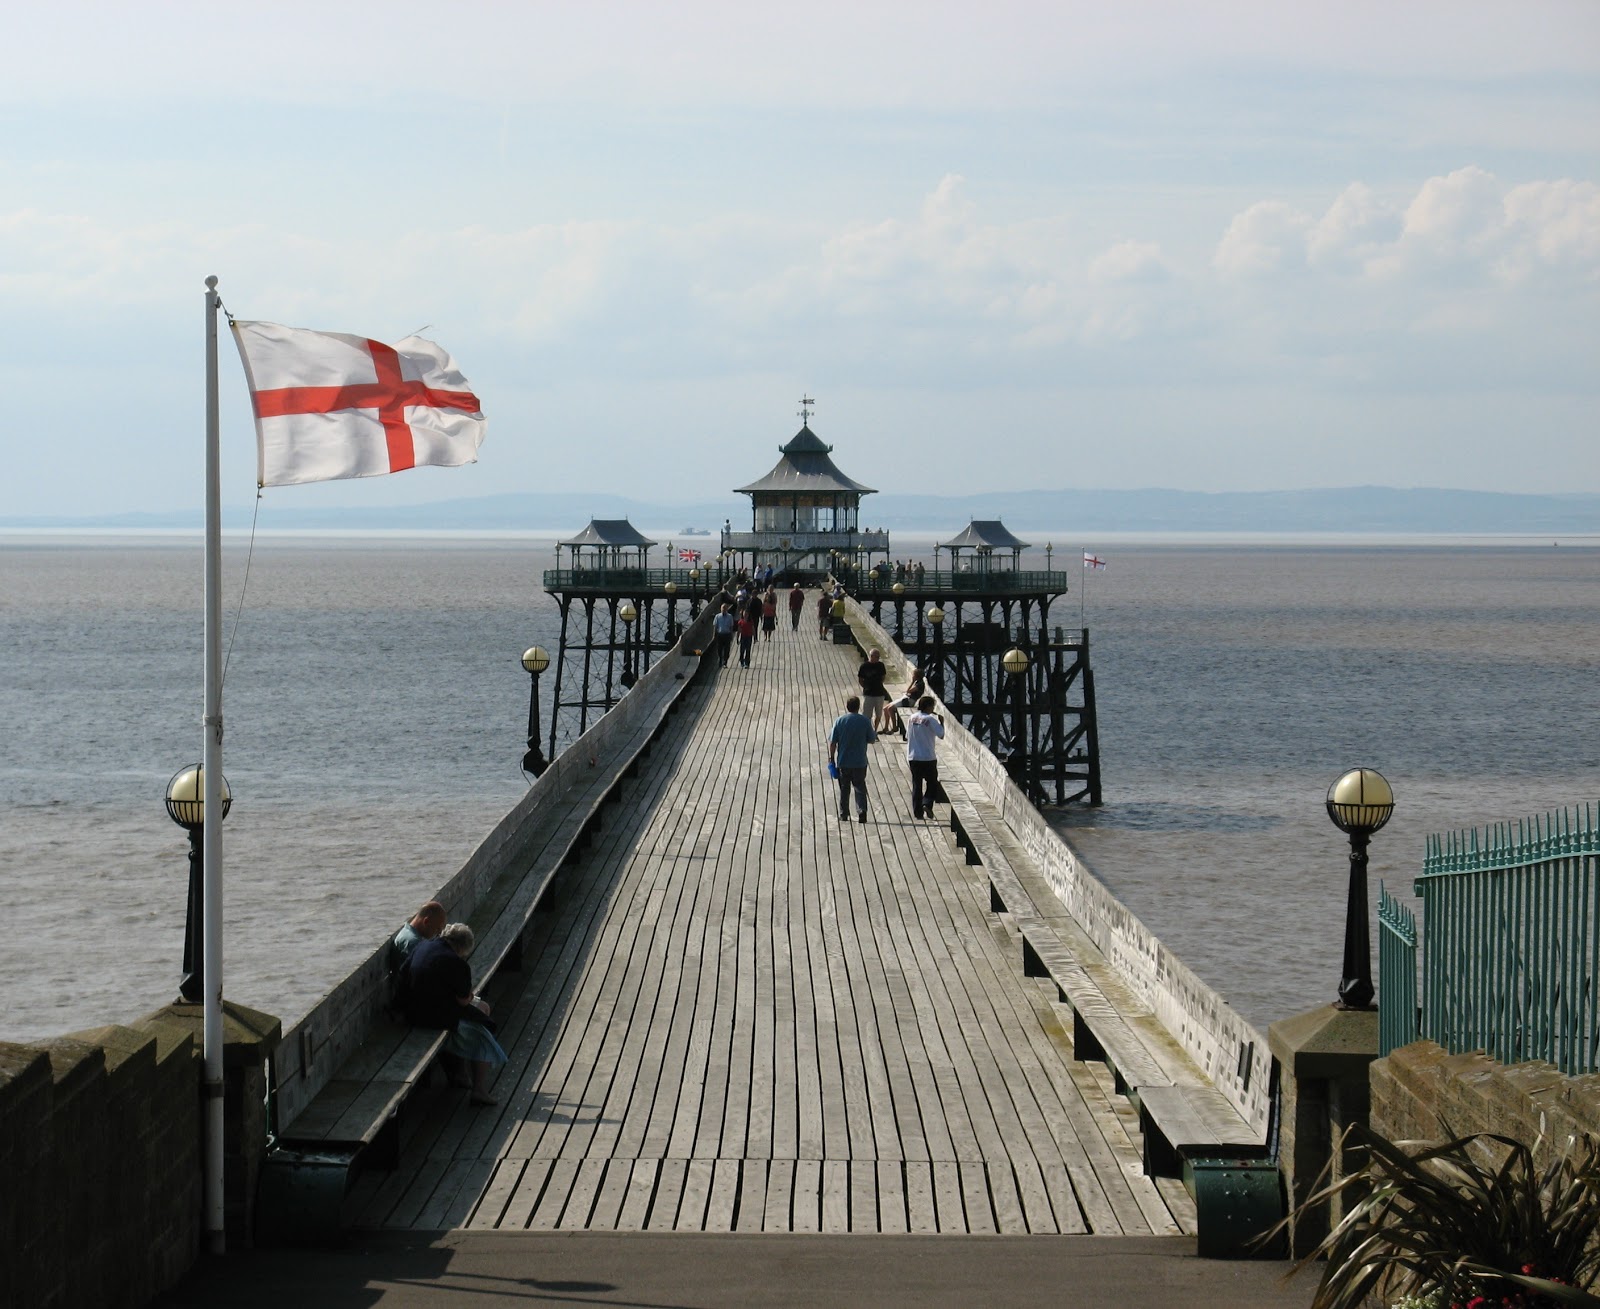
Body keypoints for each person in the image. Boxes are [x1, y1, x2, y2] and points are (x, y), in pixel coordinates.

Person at [401, 922, 507, 1106]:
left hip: (410, 1011)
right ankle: (479, 1090)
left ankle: (460, 1074)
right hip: (433, 1017)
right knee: (481, 1034)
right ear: (461, 947)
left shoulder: (423, 946)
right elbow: (463, 1000)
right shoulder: (456, 963)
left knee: (479, 1013)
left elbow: (403, 972)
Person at [828, 695, 873, 823]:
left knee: (844, 788)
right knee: (860, 787)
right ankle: (862, 811)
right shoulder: (865, 721)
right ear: (858, 707)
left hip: (844, 761)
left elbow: (832, 743)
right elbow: (871, 739)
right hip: (860, 761)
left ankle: (844, 814)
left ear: (847, 707)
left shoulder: (839, 721)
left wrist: (831, 758)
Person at [905, 696, 946, 819]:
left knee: (917, 785)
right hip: (928, 757)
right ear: (928, 706)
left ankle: (918, 813)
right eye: (932, 706)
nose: (933, 708)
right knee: (932, 783)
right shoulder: (930, 719)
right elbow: (941, 735)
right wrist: (941, 723)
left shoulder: (912, 718)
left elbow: (908, 735)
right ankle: (927, 802)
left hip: (913, 756)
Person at [390, 899, 445, 965]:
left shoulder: (407, 933)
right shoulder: (412, 943)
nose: (439, 933)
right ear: (426, 921)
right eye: (437, 928)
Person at [858, 648, 890, 736]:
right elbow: (860, 679)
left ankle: (874, 731)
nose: (878, 658)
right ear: (871, 656)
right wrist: (866, 687)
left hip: (879, 693)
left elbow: (883, 677)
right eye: (876, 657)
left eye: (878, 657)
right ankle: (867, 730)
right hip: (868, 693)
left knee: (878, 714)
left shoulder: (881, 665)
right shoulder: (864, 666)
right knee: (867, 714)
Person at [713, 603, 736, 667]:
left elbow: (731, 626)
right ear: (720, 609)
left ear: (727, 609)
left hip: (727, 634)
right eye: (722, 608)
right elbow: (715, 626)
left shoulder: (730, 616)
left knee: (727, 649)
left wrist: (731, 634)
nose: (723, 609)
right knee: (719, 649)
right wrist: (714, 635)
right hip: (720, 634)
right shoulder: (717, 616)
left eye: (725, 608)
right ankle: (720, 660)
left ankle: (725, 662)